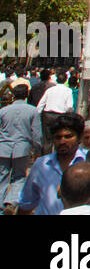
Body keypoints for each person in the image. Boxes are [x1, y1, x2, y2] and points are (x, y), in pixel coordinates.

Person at [18, 113, 90, 215]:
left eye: (68, 136)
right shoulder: (42, 165)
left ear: (80, 137)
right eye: (58, 137)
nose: (62, 141)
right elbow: (26, 203)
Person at [0, 81, 43, 209]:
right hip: (22, 149)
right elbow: (36, 133)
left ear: (13, 96)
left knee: (2, 177)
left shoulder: (3, 111)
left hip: (3, 148)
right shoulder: (32, 111)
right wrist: (37, 150)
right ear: (26, 95)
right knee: (19, 177)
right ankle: (11, 201)